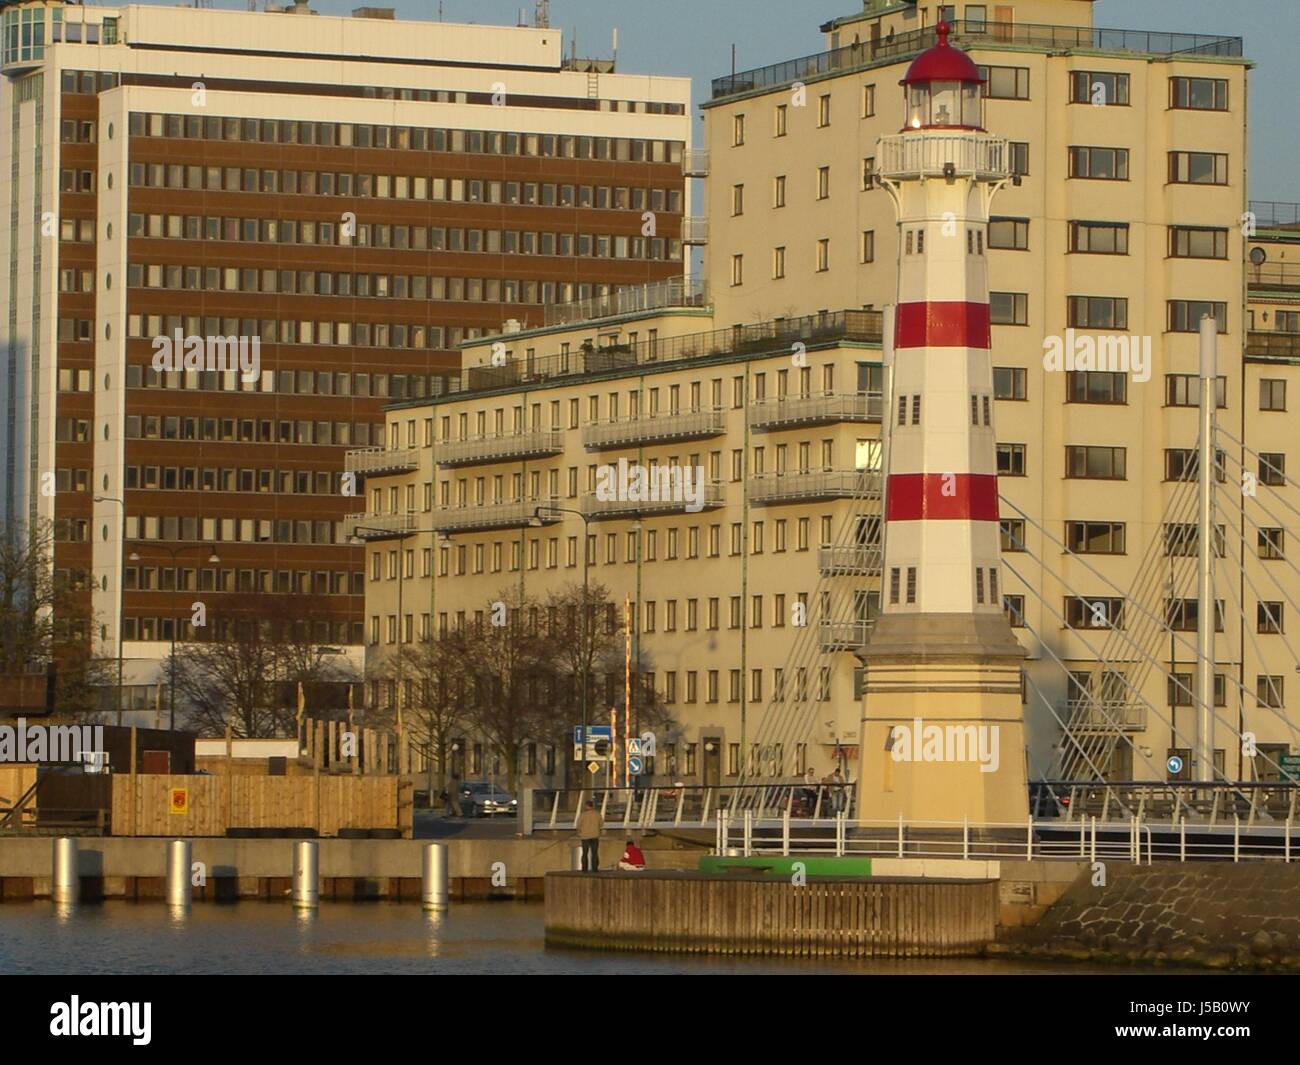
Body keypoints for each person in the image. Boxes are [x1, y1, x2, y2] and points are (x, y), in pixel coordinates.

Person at [576, 800, 603, 872]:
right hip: (595, 836)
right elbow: (601, 824)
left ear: (587, 806)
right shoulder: (597, 814)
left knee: (585, 853)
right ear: (592, 806)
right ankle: (595, 869)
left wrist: (579, 832)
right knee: (594, 853)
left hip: (585, 837)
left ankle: (584, 869)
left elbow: (578, 825)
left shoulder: (583, 815)